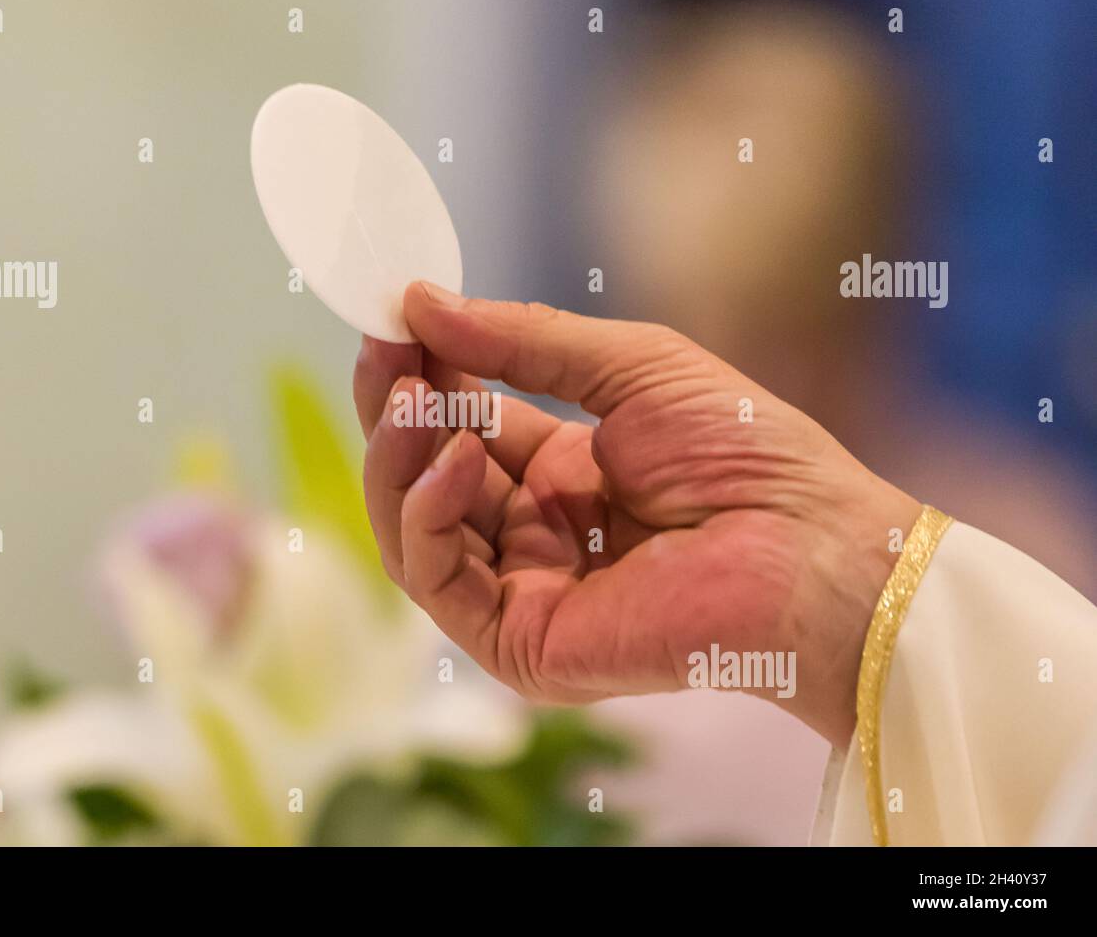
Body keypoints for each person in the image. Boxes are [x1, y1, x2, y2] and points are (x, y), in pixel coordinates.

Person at [353, 281, 1097, 846]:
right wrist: (835, 594)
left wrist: (836, 590)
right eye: (687, 309)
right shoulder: (581, 549)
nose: (761, 380)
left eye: (796, 327)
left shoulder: (1023, 519)